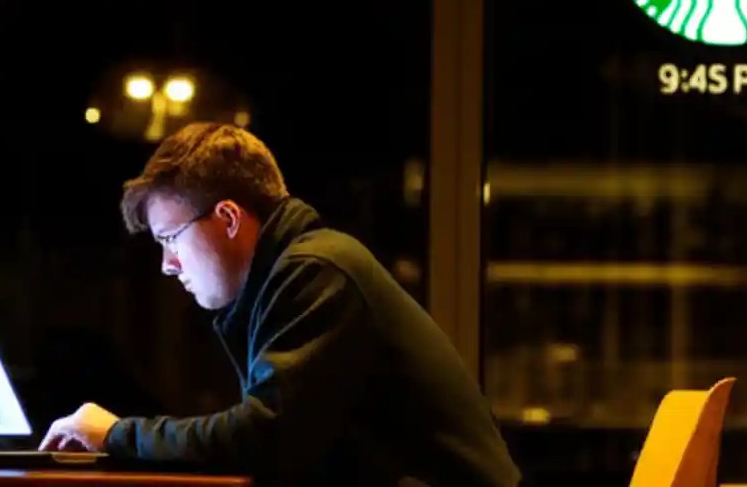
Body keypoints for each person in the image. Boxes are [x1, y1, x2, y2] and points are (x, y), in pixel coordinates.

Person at [39, 122, 521, 486]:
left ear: (228, 217)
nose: (168, 264)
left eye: (170, 238)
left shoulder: (316, 271)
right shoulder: (295, 271)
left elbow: (262, 438)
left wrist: (116, 434)